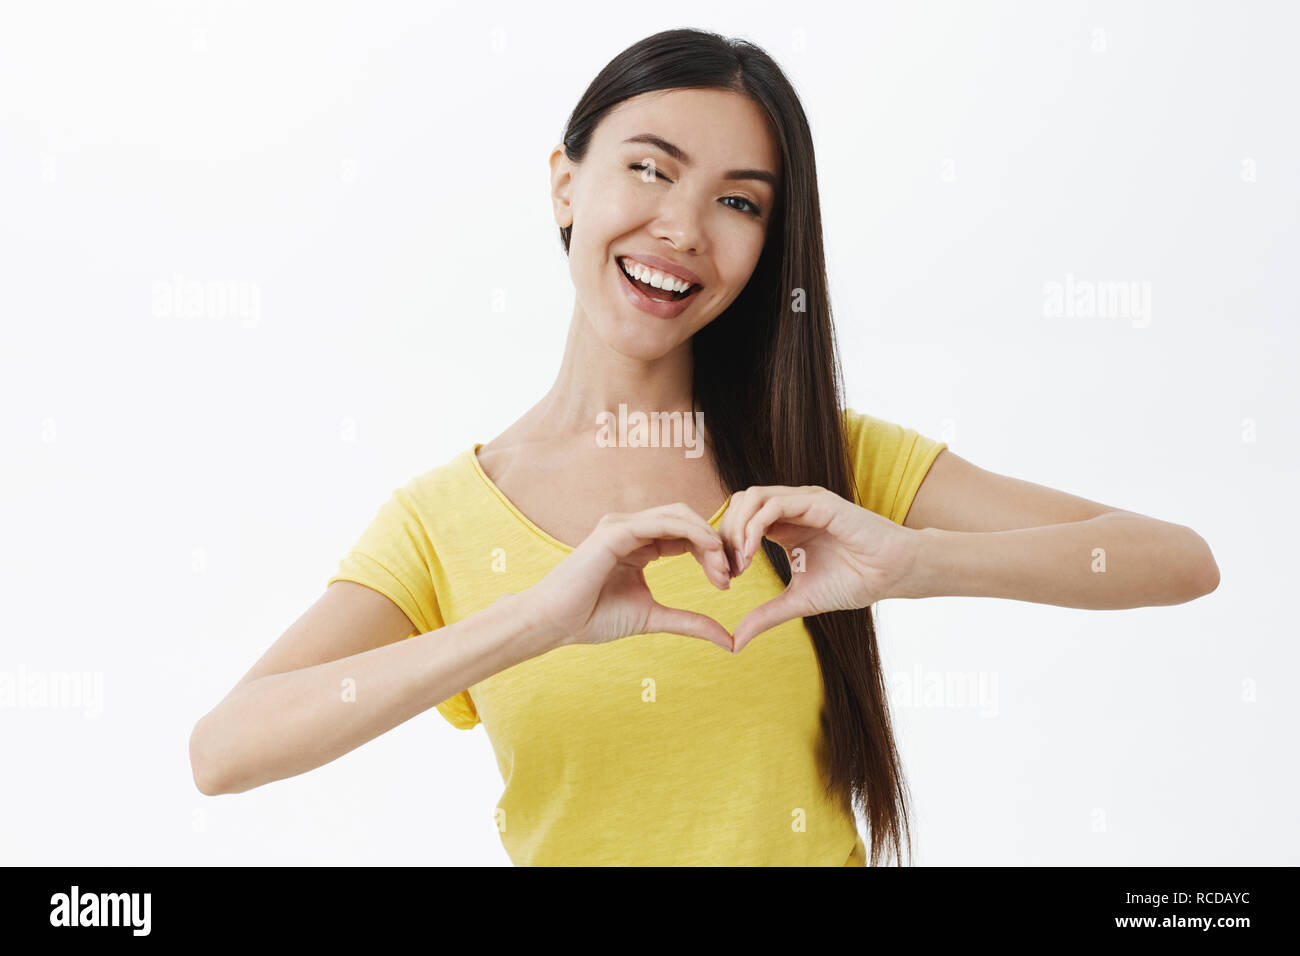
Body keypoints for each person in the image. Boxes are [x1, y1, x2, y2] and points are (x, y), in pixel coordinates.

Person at [188, 28, 1220, 866]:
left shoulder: (821, 458)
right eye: (649, 169)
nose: (682, 227)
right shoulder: (442, 520)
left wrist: (914, 564)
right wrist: (533, 619)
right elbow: (225, 749)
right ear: (564, 185)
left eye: (737, 202)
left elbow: (1175, 558)